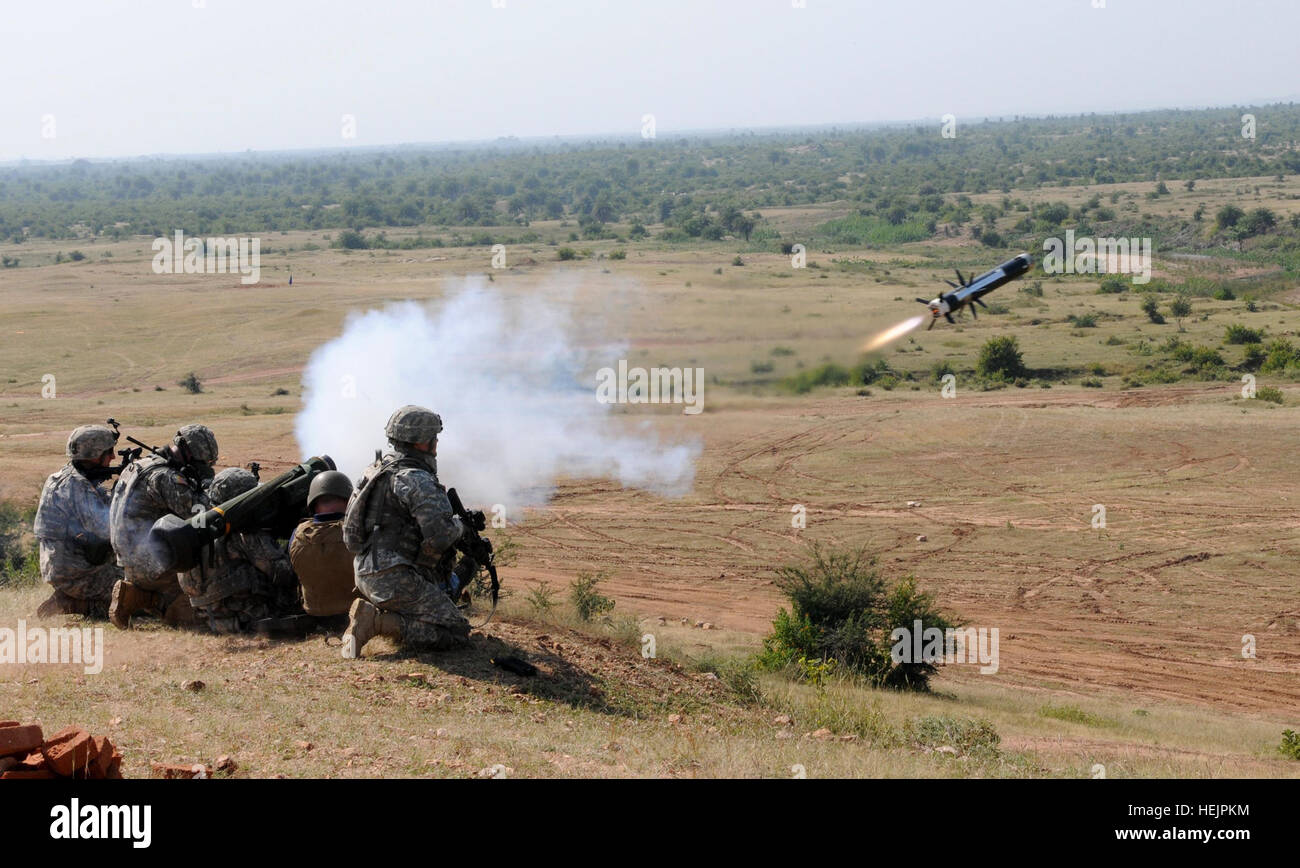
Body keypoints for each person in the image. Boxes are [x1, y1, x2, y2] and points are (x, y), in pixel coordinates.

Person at [340, 405, 471, 658]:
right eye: (434, 439)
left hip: (364, 571)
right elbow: (441, 536)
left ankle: (378, 615)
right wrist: (461, 526)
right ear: (423, 443)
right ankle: (375, 623)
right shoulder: (416, 479)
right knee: (456, 632)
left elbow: (350, 535)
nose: (436, 445)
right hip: (394, 579)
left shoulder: (373, 471)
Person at [107, 424, 217, 629]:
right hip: (152, 565)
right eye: (204, 463)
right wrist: (208, 487)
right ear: (189, 454)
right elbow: (201, 515)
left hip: (128, 561)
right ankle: (159, 603)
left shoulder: (142, 465)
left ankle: (134, 594)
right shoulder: (165, 477)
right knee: (205, 608)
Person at [180, 468, 300, 634]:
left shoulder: (197, 528)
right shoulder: (245, 534)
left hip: (209, 619)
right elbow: (283, 574)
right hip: (248, 619)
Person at [32, 425, 123, 618]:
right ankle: (73, 603)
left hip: (62, 566)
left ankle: (73, 598)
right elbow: (108, 530)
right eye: (110, 452)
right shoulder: (78, 486)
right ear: (95, 454)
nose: (113, 458)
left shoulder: (63, 477)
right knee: (139, 588)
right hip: (77, 572)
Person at [286, 470, 357, 633]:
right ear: (349, 500)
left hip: (314, 612)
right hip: (355, 610)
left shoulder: (297, 534)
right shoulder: (357, 531)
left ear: (314, 504)